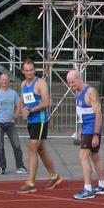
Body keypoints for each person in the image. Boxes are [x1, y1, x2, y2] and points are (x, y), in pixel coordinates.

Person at [16, 58, 62, 194]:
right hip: (31, 121)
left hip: (40, 120)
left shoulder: (40, 83)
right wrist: (23, 109)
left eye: (31, 70)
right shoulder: (23, 84)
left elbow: (46, 103)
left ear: (35, 70)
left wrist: (30, 110)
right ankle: (54, 176)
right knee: (41, 150)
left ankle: (31, 183)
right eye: (26, 71)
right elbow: (23, 100)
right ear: (23, 71)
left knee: (32, 149)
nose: (29, 73)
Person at [67, 70, 104, 200]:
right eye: (69, 83)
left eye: (73, 82)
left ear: (79, 79)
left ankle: (88, 189)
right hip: (86, 128)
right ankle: (102, 185)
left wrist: (96, 134)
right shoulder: (77, 92)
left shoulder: (90, 92)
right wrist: (80, 129)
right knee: (94, 156)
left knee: (83, 156)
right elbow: (82, 111)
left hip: (92, 129)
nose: (71, 85)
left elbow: (98, 114)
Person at [0, 73, 26, 175]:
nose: (4, 81)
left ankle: (20, 166)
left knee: (17, 145)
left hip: (10, 123)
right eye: (3, 80)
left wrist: (15, 116)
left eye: (6, 80)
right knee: (0, 146)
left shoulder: (13, 93)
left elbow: (18, 105)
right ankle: (2, 167)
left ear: (8, 81)